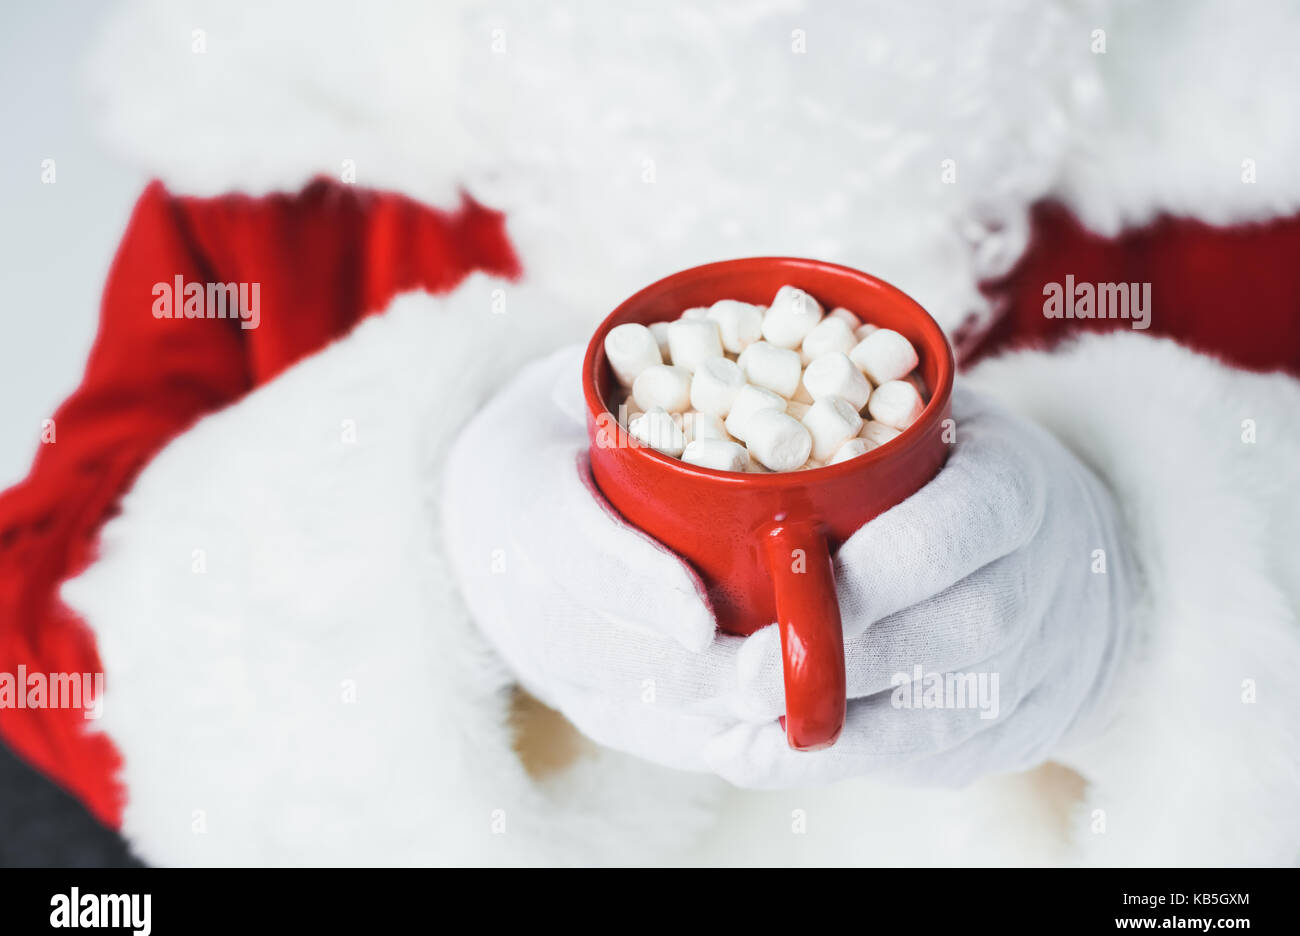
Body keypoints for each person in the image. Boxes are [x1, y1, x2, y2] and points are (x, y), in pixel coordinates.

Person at [3, 0, 1297, 865]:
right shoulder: (296, 134)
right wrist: (425, 562)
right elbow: (39, 638)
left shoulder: (1246, 135)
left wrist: (1157, 600)